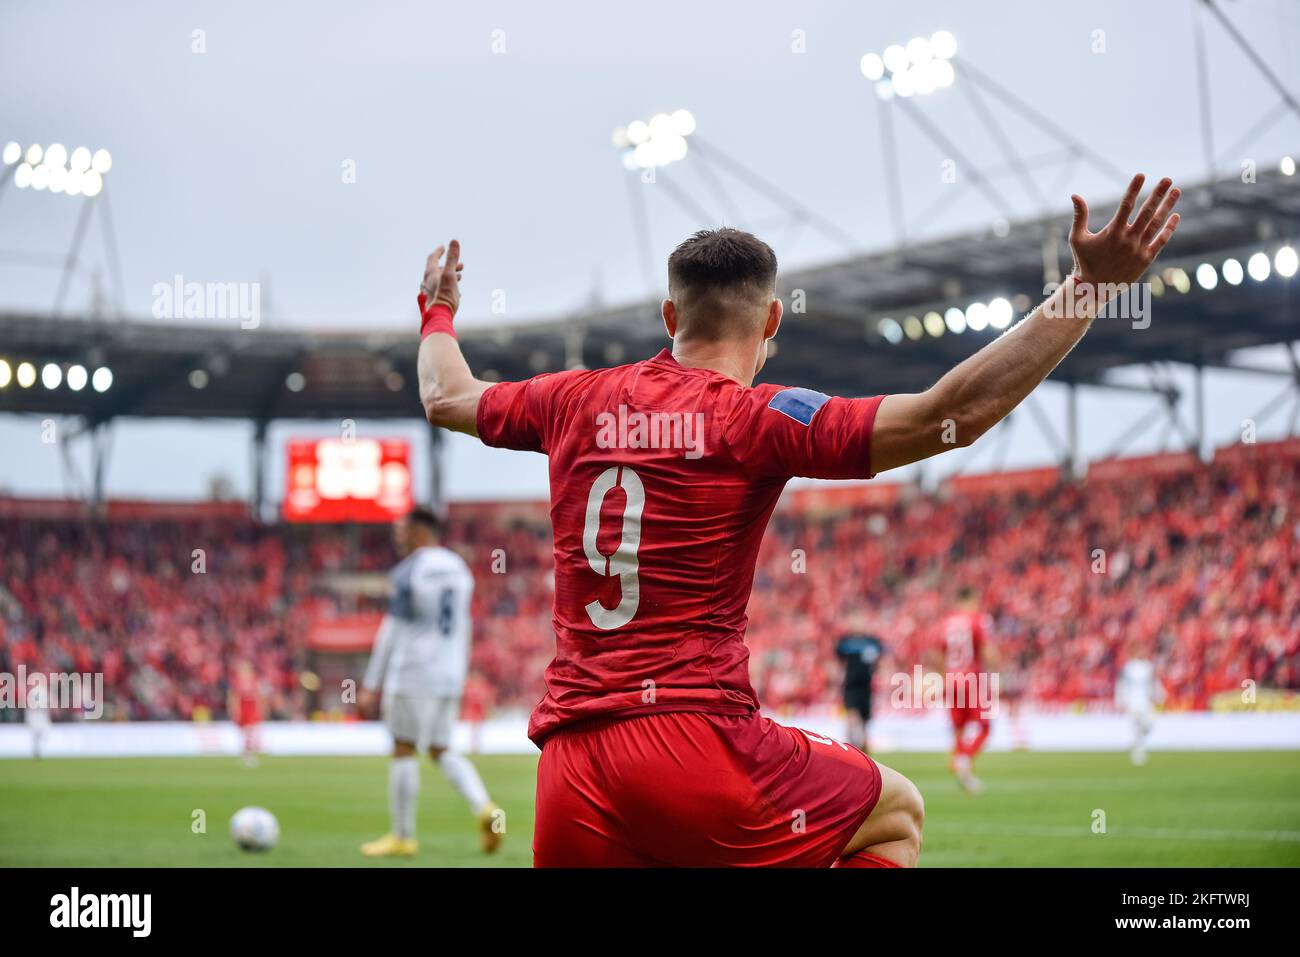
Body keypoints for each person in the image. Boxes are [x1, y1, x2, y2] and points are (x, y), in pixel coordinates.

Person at [414, 174, 1180, 866]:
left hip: (571, 765)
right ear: (773, 317)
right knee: (897, 814)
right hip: (694, 741)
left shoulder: (569, 397)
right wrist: (1087, 289)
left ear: (668, 314)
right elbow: (954, 415)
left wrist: (438, 308)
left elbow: (445, 396)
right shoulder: (757, 417)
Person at [359, 507, 501, 857]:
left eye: (402, 532)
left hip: (412, 671)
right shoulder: (459, 569)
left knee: (403, 747)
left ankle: (403, 837)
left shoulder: (409, 571)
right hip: (450, 673)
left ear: (420, 532)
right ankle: (485, 809)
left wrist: (371, 682)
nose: (397, 539)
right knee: (440, 749)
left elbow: (393, 628)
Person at [938, 587, 997, 793]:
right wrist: (998, 671)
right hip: (972, 678)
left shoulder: (946, 622)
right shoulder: (979, 619)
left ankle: (960, 763)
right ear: (971, 599)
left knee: (959, 727)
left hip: (951, 678)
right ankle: (963, 759)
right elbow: (987, 650)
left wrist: (944, 677)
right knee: (984, 727)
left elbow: (938, 653)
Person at [835, 629, 885, 753]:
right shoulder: (845, 641)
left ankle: (862, 747)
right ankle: (851, 745)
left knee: (864, 720)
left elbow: (880, 659)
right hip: (851, 686)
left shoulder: (872, 641)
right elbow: (838, 661)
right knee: (852, 716)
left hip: (866, 687)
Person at [1114, 643, 1164, 766]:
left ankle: (1136, 744)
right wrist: (1120, 699)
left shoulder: (1147, 667)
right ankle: (1138, 752)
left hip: (1145, 702)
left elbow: (1153, 683)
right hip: (1133, 702)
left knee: (1148, 725)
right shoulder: (1128, 668)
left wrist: (1159, 694)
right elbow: (1122, 685)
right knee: (1136, 726)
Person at [228, 660, 263, 768]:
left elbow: (258, 696)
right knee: (244, 733)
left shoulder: (254, 680)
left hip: (251, 708)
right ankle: (246, 754)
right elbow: (234, 697)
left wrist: (259, 709)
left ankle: (248, 754)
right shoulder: (237, 681)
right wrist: (235, 710)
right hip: (243, 708)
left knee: (250, 733)